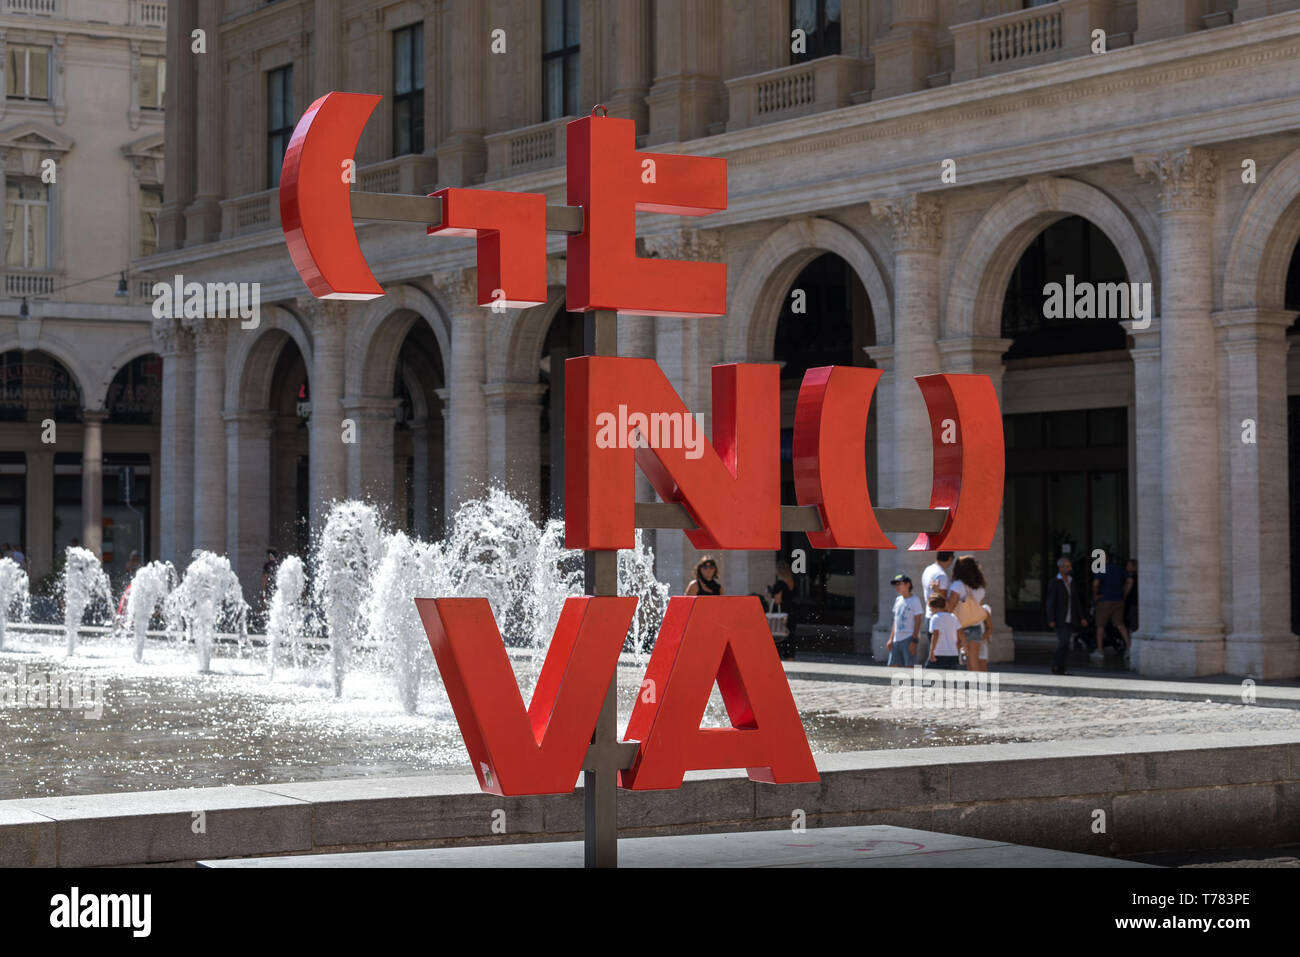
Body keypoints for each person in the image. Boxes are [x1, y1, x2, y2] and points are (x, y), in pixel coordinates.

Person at [946, 555, 988, 672]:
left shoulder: (958, 585)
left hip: (961, 627)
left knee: (951, 657)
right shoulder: (980, 586)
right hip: (976, 625)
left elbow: (949, 607)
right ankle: (978, 686)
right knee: (973, 659)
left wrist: (938, 592)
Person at [1047, 556, 1087, 675]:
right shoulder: (1055, 582)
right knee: (1063, 642)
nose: (1069, 568)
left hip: (1071, 617)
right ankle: (1055, 665)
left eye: (1070, 566)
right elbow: (1050, 602)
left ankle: (1061, 668)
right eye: (1067, 566)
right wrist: (1051, 618)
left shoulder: (1071, 581)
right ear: (1060, 568)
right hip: (1060, 618)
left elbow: (1076, 601)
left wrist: (1082, 617)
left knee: (1066, 643)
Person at [1091, 553, 1131, 662]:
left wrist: (1095, 596)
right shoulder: (1119, 568)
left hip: (1105, 601)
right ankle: (1129, 647)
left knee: (1100, 626)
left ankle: (1100, 650)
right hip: (1118, 600)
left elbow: (1095, 584)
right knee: (1120, 624)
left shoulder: (1101, 569)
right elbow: (1130, 581)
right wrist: (1124, 594)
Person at [919, 551, 954, 660]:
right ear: (949, 558)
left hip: (929, 615)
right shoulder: (941, 575)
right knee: (937, 655)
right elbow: (942, 602)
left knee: (934, 652)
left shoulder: (928, 569)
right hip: (940, 617)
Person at [885, 574, 923, 667]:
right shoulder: (898, 600)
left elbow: (918, 621)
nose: (897, 587)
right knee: (892, 665)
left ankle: (914, 681)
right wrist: (891, 639)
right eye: (895, 585)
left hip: (908, 637)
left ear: (908, 584)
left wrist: (914, 640)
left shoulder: (915, 600)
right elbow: (895, 620)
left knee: (910, 666)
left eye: (899, 584)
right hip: (896, 639)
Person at [765, 560, 796, 659]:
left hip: (781, 615)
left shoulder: (780, 583)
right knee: (790, 637)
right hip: (791, 612)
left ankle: (778, 659)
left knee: (779, 637)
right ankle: (790, 657)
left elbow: (778, 600)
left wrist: (769, 592)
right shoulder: (792, 582)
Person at [926, 594, 962, 669]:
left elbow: (935, 634)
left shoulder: (935, 618)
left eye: (930, 609)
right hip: (953, 654)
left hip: (939, 654)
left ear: (934, 607)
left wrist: (931, 651)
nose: (930, 611)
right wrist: (963, 647)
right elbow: (960, 633)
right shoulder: (953, 617)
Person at [1123, 558, 1139, 633]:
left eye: (1129, 565)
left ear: (1134, 567)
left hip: (1133, 603)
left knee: (1133, 623)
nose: (1127, 567)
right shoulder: (1137, 576)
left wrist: (1123, 598)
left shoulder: (1132, 578)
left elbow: (1127, 589)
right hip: (1135, 602)